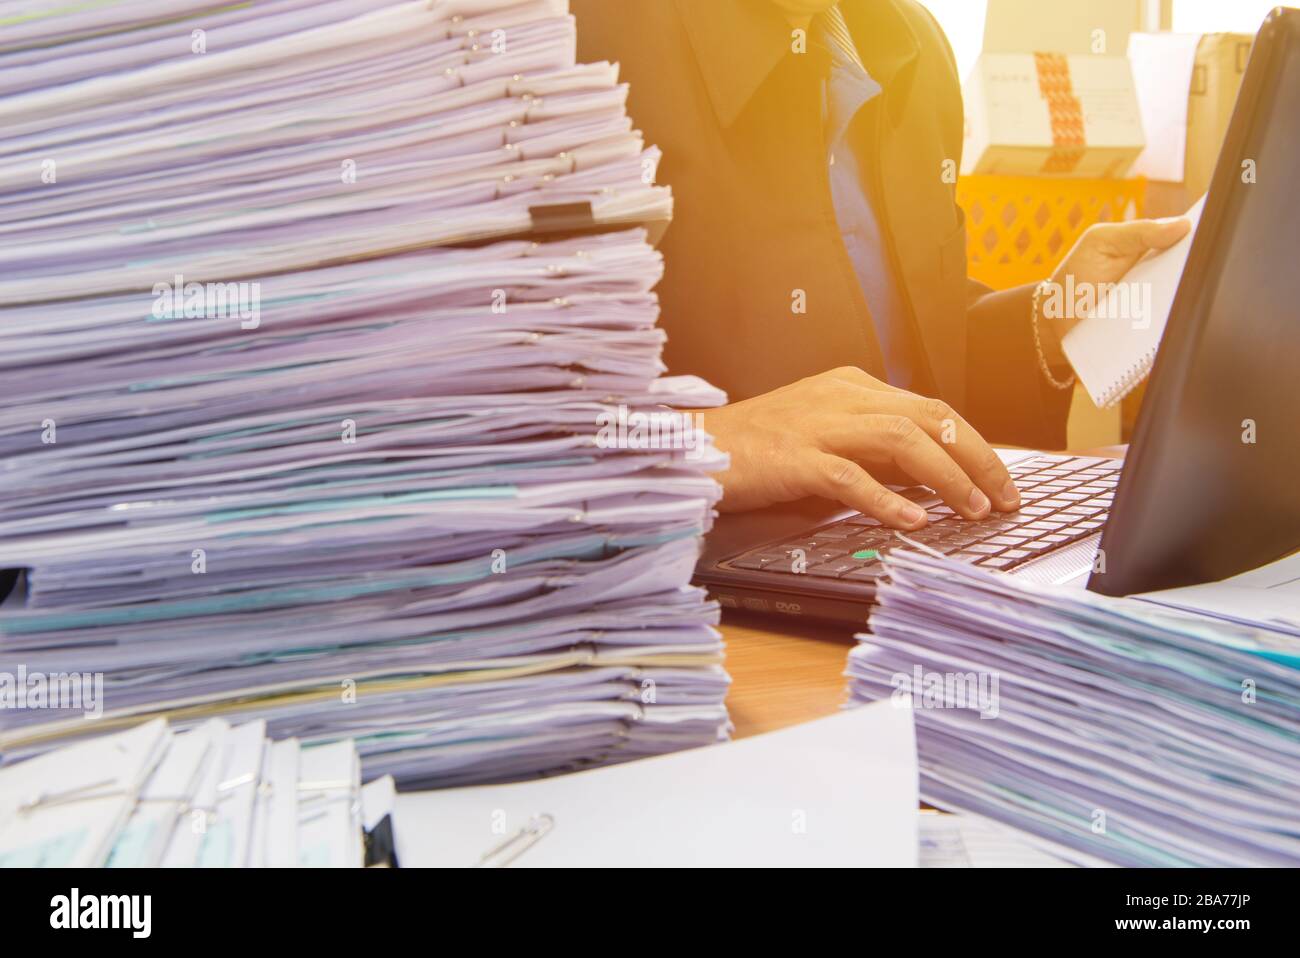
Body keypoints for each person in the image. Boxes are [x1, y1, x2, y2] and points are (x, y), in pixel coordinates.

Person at [571, 0, 1189, 529]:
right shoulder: (560, 39)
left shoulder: (910, 40)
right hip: (701, 599)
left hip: (907, 550)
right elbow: (491, 438)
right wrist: (705, 441)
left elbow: (910, 358)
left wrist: (1048, 321)